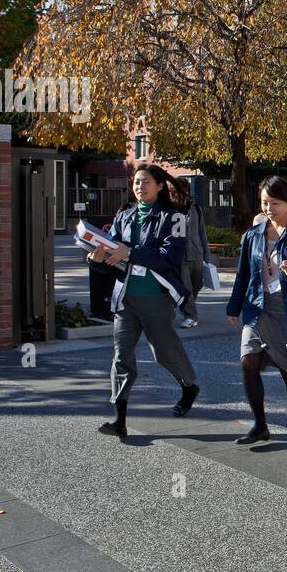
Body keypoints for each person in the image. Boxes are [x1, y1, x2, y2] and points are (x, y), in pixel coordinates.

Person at [91, 163, 200, 438]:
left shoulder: (172, 217)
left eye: (146, 182)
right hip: (126, 298)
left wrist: (131, 252)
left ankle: (189, 386)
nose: (140, 186)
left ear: (160, 185)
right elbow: (114, 256)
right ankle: (120, 420)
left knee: (164, 352)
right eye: (137, 182)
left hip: (156, 297)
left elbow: (168, 257)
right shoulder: (124, 217)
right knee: (121, 357)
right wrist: (99, 259)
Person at [225, 175, 287, 445]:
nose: (269, 209)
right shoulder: (252, 236)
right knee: (248, 362)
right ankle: (259, 425)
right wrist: (234, 306)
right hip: (257, 307)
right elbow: (242, 274)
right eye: (265, 203)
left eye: (275, 203)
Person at [169, 177, 212, 328]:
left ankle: (180, 304)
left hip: (196, 253)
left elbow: (202, 232)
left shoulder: (195, 208)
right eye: (172, 192)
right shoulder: (169, 210)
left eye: (177, 192)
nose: (174, 195)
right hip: (179, 256)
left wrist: (207, 254)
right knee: (186, 287)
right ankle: (190, 315)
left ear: (186, 191)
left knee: (197, 285)